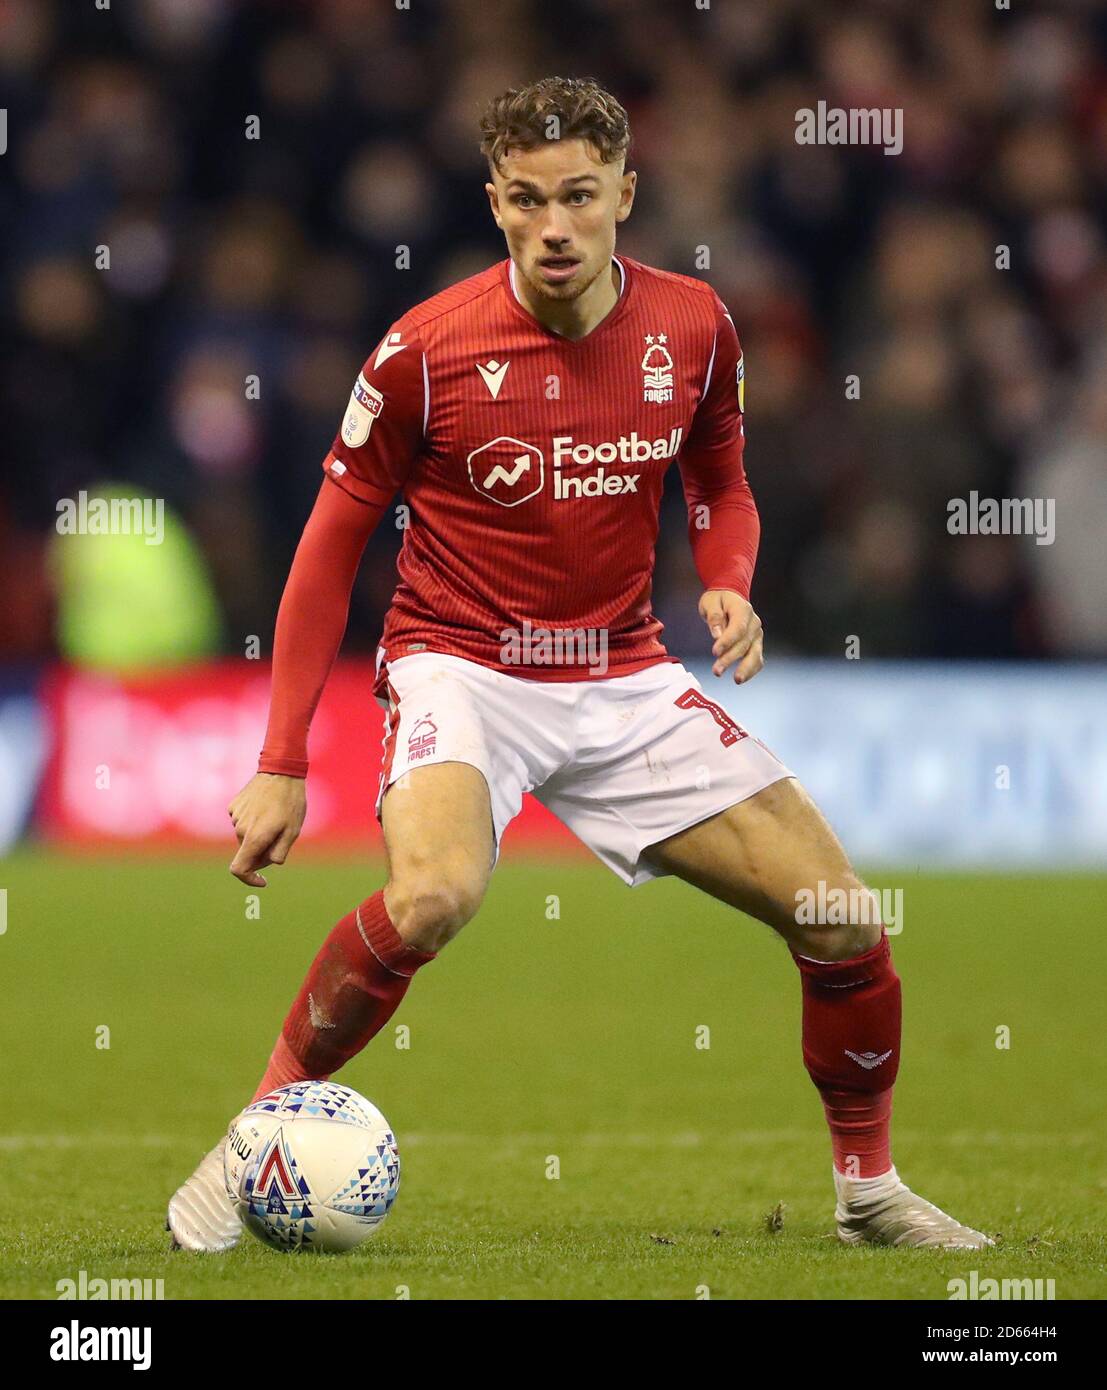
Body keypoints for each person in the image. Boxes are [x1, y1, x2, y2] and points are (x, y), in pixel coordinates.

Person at [168, 76, 990, 1253]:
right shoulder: (422, 353)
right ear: (495, 201)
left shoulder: (695, 325)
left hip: (624, 672)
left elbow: (720, 478)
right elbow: (327, 549)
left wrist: (729, 576)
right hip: (463, 665)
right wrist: (282, 759)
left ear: (625, 196)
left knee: (843, 915)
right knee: (436, 893)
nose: (555, 225)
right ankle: (256, 1128)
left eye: (580, 197)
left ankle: (868, 1193)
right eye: (527, 199)